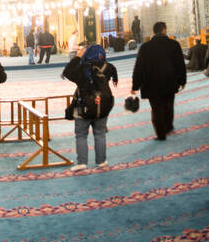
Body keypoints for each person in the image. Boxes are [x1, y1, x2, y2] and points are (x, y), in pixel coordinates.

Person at [63, 43, 118, 171]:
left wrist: (77, 57)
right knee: (100, 134)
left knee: (81, 135)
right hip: (102, 107)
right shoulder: (108, 68)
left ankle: (82, 162)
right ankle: (101, 161)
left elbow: (67, 72)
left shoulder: (82, 69)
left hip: (84, 107)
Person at [131, 21, 187, 141]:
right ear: (164, 30)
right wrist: (182, 81)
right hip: (170, 81)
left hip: (151, 83)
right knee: (168, 105)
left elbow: (139, 67)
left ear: (154, 31)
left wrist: (135, 85)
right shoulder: (174, 44)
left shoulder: (145, 47)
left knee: (156, 109)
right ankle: (168, 126)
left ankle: (161, 134)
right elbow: (180, 65)